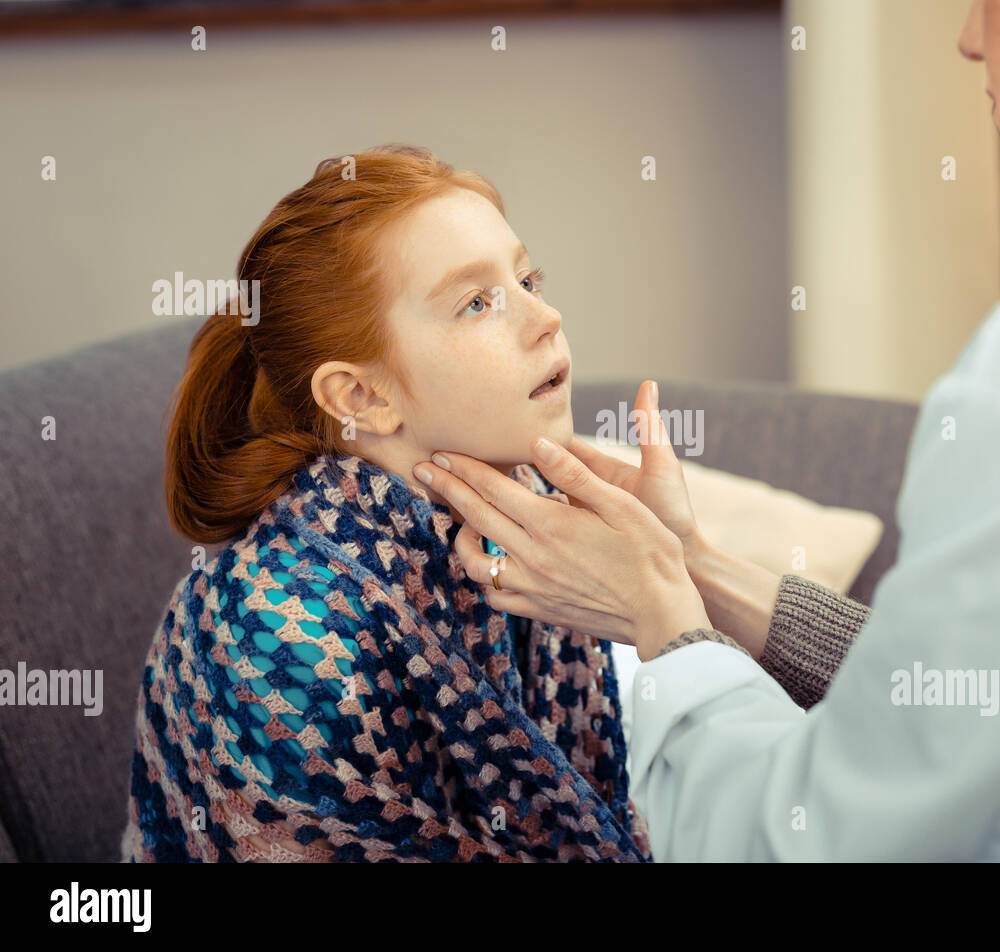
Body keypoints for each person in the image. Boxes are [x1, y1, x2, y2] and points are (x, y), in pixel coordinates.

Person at [412, 0, 1000, 861]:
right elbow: (977, 700)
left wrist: (664, 620)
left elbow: (814, 844)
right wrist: (696, 571)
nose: (968, 39)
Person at [123, 144, 652, 862]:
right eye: (476, 302)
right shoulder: (267, 636)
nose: (546, 317)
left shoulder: (529, 540)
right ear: (361, 397)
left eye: (528, 278)